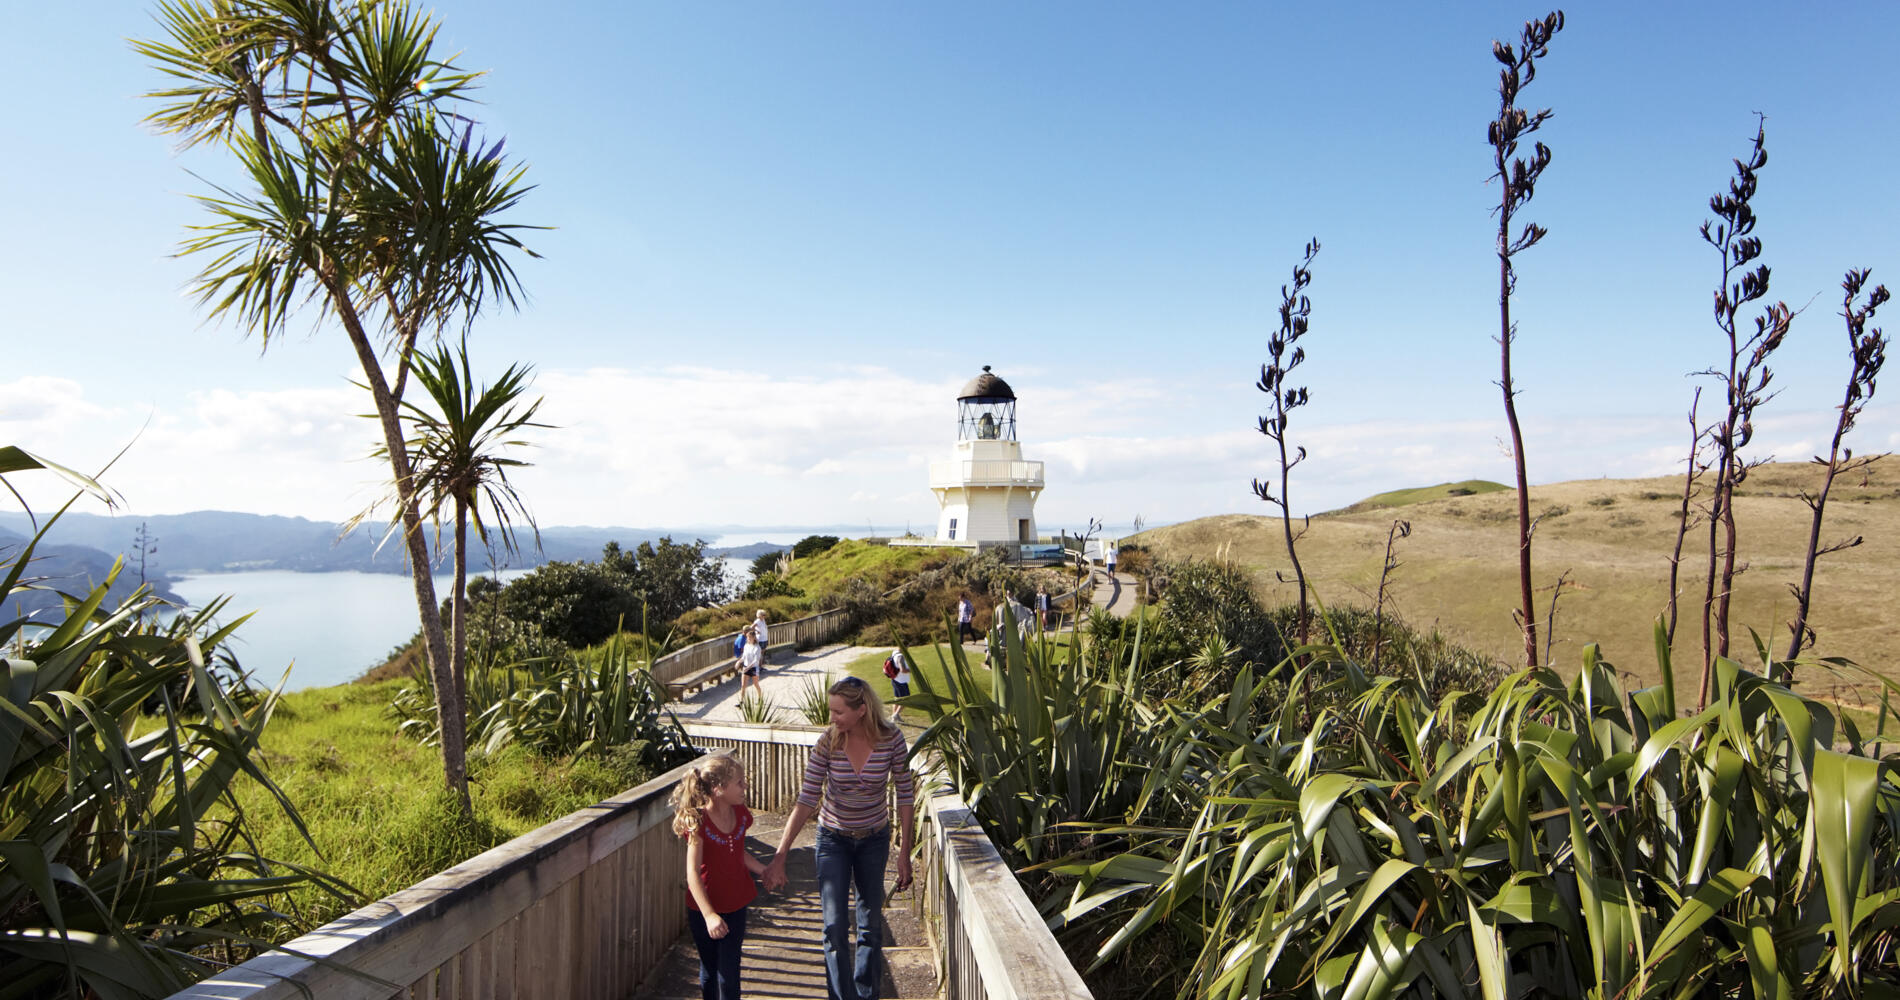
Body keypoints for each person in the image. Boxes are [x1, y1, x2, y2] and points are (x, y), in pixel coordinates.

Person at [764, 677, 916, 1000]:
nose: (831, 718)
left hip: (874, 840)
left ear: (861, 710)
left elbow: (905, 794)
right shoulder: (828, 742)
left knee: (870, 926)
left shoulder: (891, 740)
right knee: (833, 927)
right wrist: (780, 853)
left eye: (838, 711)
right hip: (833, 840)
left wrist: (904, 853)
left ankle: (866, 994)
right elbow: (806, 799)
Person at [671, 756, 769, 1000]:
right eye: (739, 782)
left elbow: (737, 850)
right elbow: (692, 872)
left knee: (729, 972)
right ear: (719, 789)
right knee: (711, 970)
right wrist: (709, 915)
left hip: (736, 904)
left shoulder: (740, 814)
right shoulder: (699, 823)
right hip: (705, 909)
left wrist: (763, 870)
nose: (745, 787)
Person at [739, 624, 765, 699]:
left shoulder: (757, 647)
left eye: (750, 637)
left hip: (753, 668)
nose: (748, 639)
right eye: (747, 637)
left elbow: (755, 660)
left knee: (755, 684)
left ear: (754, 638)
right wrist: (739, 662)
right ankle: (741, 701)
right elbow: (744, 656)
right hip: (746, 666)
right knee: (743, 685)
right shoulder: (746, 646)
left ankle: (760, 697)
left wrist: (748, 667)